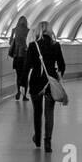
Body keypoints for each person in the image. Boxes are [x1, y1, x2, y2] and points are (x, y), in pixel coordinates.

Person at [24, 21, 66, 152]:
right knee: (49, 113)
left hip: (36, 83)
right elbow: (62, 65)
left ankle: (37, 139)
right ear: (49, 31)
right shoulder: (56, 45)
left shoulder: (32, 46)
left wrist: (21, 84)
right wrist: (59, 75)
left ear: (38, 31)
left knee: (37, 113)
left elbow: (27, 67)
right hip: (50, 83)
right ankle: (47, 143)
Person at [8, 16, 29, 101]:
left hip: (17, 57)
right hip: (25, 57)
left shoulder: (14, 30)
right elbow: (30, 44)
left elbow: (10, 42)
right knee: (25, 77)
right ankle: (24, 96)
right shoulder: (28, 31)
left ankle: (18, 91)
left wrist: (15, 40)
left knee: (18, 76)